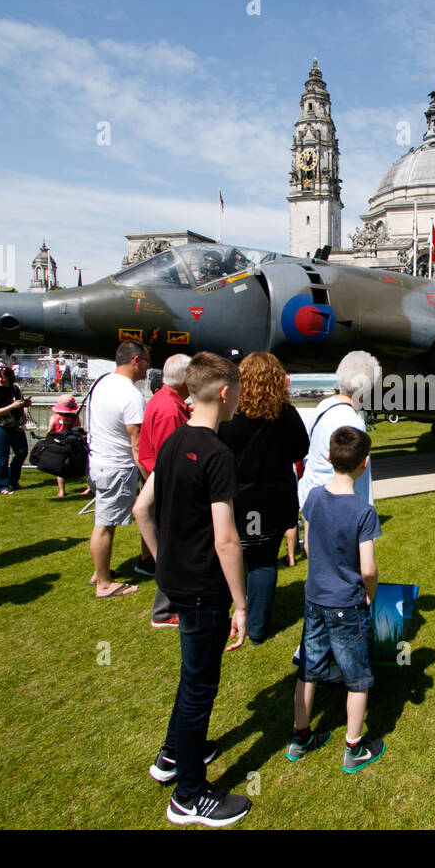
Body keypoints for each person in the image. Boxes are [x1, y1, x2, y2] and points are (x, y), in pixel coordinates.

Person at [133, 351, 252, 827]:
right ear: (224, 393)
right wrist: (241, 604)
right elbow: (226, 539)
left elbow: (143, 509)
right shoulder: (218, 453)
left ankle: (170, 756)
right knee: (201, 685)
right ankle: (188, 795)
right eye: (238, 391)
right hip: (204, 588)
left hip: (178, 580)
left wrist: (166, 561)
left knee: (191, 677)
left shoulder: (172, 441)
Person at [289, 425, 385, 772]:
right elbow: (369, 568)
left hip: (314, 598)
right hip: (347, 603)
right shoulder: (363, 512)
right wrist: (369, 595)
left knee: (309, 669)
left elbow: (309, 545)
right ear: (365, 463)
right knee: (357, 677)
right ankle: (354, 748)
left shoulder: (313, 497)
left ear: (329, 458)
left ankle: (300, 737)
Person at [217, 352, 310, 643]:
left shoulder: (230, 417)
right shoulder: (287, 415)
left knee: (229, 559)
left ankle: (223, 620)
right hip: (273, 501)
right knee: (263, 562)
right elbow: (300, 450)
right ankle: (256, 626)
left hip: (236, 501)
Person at [88, 339, 150, 598]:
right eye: (147, 361)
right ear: (135, 360)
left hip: (98, 463)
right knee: (105, 524)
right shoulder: (131, 395)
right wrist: (148, 478)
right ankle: (103, 583)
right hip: (116, 466)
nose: (148, 368)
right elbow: (137, 445)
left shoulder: (102, 383)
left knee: (104, 521)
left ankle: (99, 571)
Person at [136, 353, 193, 625]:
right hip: (170, 490)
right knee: (174, 549)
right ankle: (166, 610)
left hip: (160, 485)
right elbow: (171, 457)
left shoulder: (164, 401)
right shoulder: (170, 410)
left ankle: (171, 606)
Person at [298, 351, 380, 511]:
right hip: (338, 508)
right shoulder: (352, 422)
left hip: (313, 499)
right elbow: (353, 474)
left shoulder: (324, 406)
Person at [0, 364, 30, 494]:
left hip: (14, 425)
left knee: (22, 452)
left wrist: (25, 403)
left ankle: (13, 481)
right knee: (3, 456)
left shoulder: (15, 388)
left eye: (3, 377)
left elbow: (18, 403)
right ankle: (1, 486)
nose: (0, 380)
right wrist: (11, 406)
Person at [47, 394, 81, 498]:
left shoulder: (54, 418)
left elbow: (49, 431)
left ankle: (62, 491)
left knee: (60, 468)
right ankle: (89, 487)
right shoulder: (75, 418)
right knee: (80, 465)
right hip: (71, 443)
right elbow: (78, 429)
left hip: (59, 444)